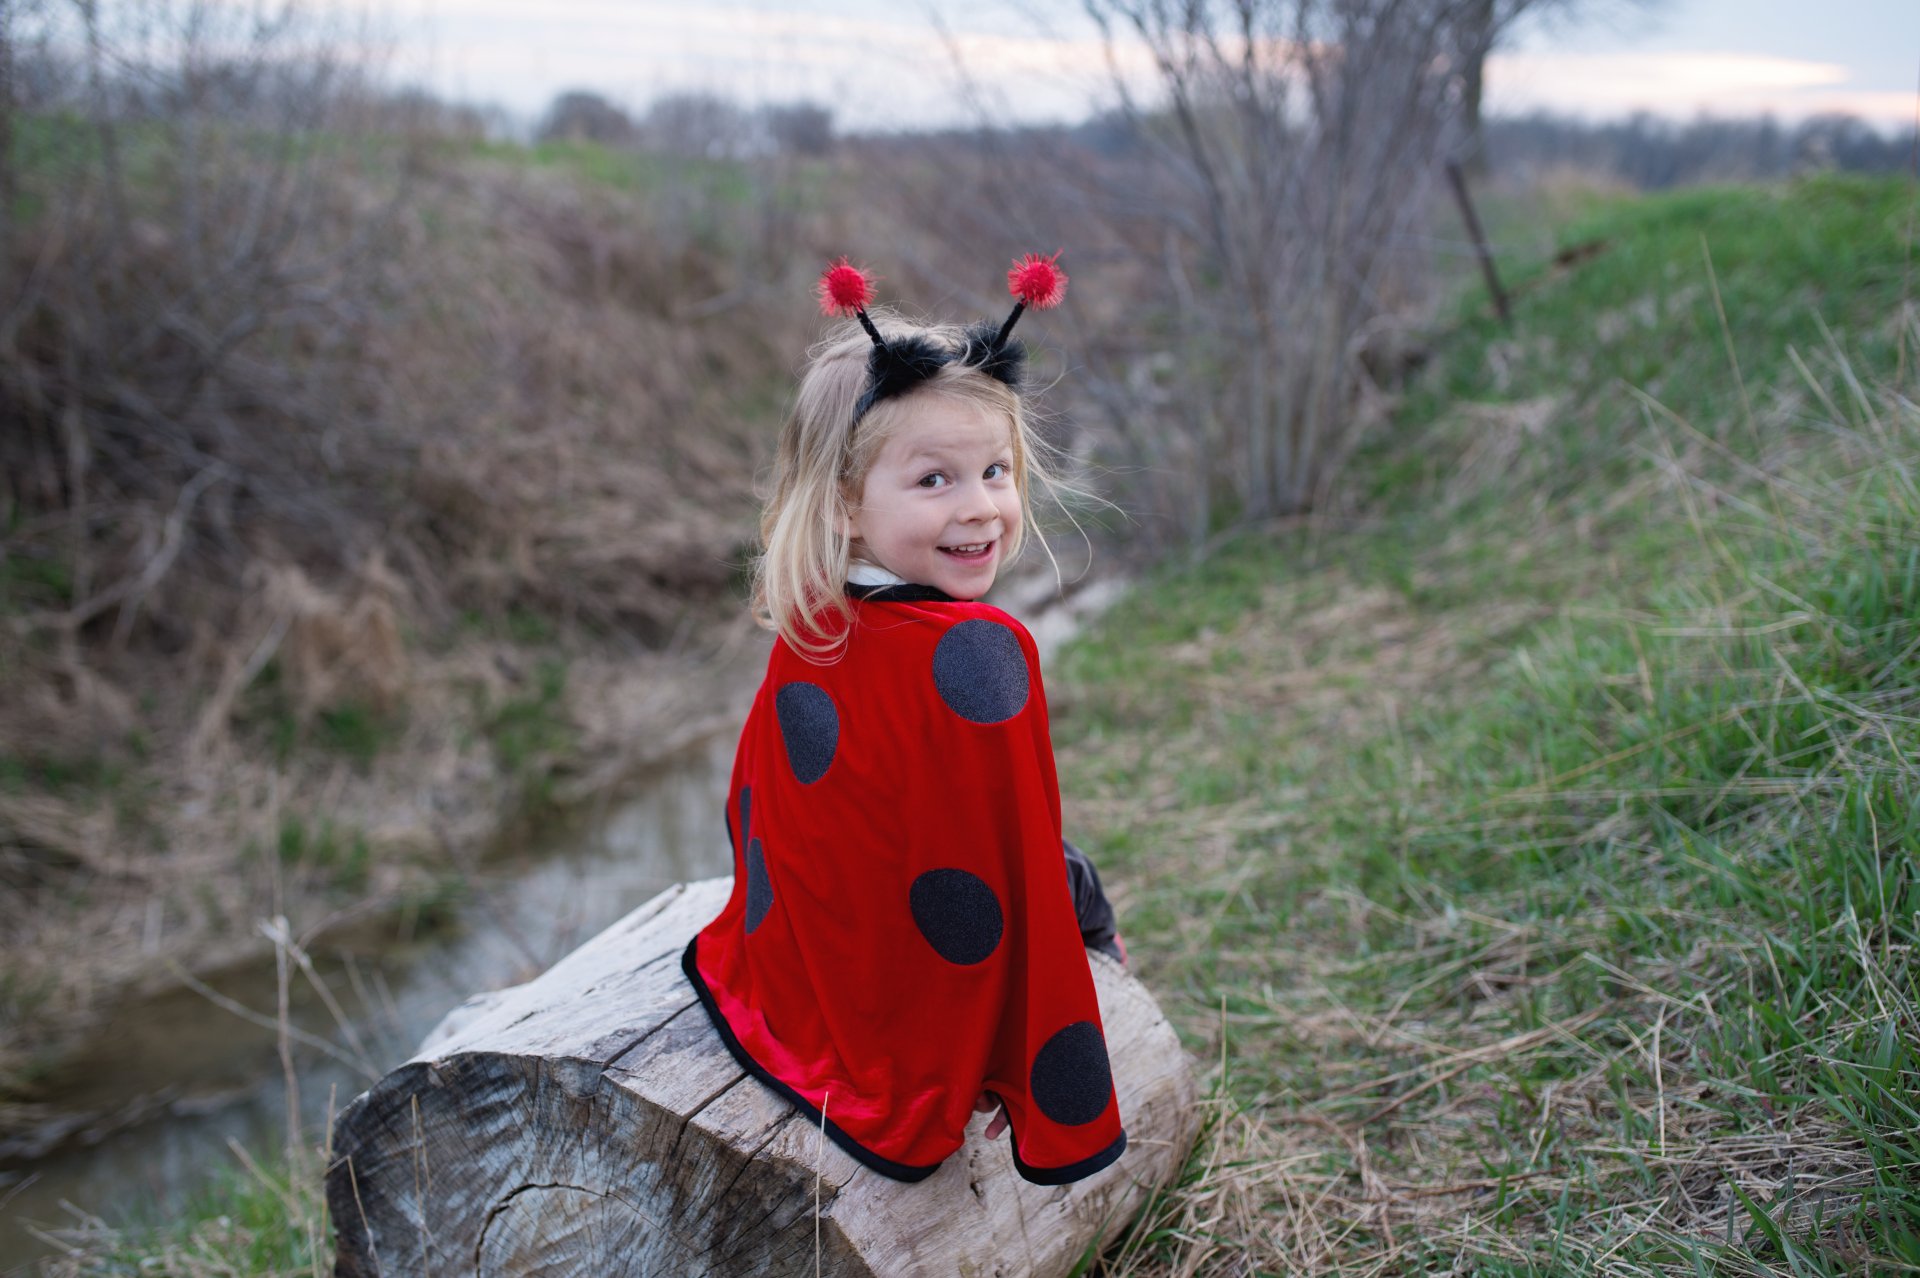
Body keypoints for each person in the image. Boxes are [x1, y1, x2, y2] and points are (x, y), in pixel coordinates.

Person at [680, 253, 1129, 1186]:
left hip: (795, 992)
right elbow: (1020, 869)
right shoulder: (981, 654)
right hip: (902, 1048)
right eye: (934, 481)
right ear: (846, 503)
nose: (981, 508)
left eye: (995, 470)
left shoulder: (815, 623)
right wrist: (1095, 917)